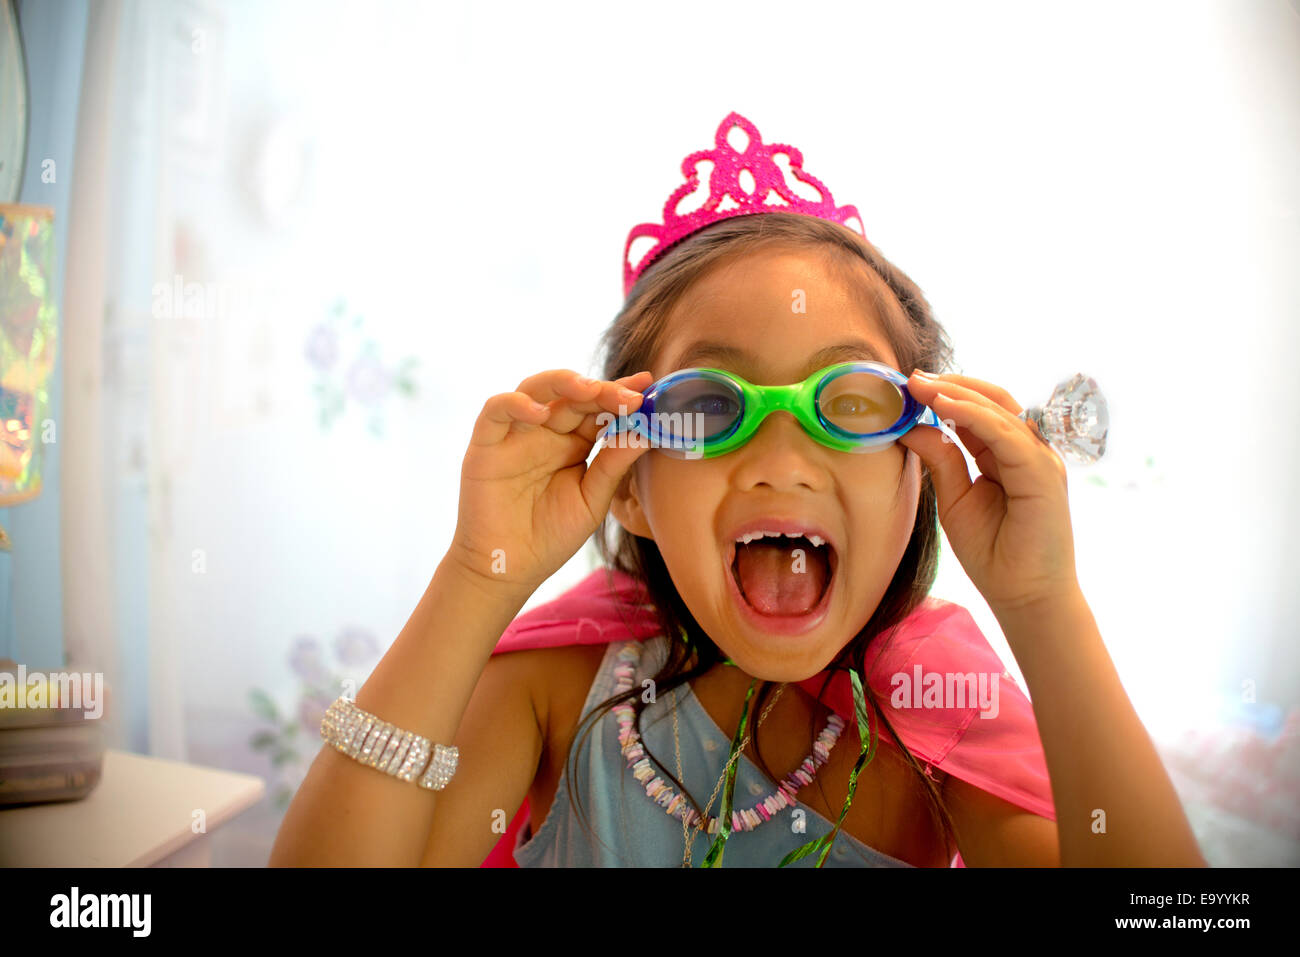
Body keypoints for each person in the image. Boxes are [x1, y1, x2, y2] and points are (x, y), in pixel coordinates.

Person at [269, 112, 1206, 868]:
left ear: (919, 474)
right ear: (630, 485)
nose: (783, 459)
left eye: (848, 401)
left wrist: (1044, 605)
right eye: (712, 405)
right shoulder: (557, 694)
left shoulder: (936, 705)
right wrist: (479, 573)